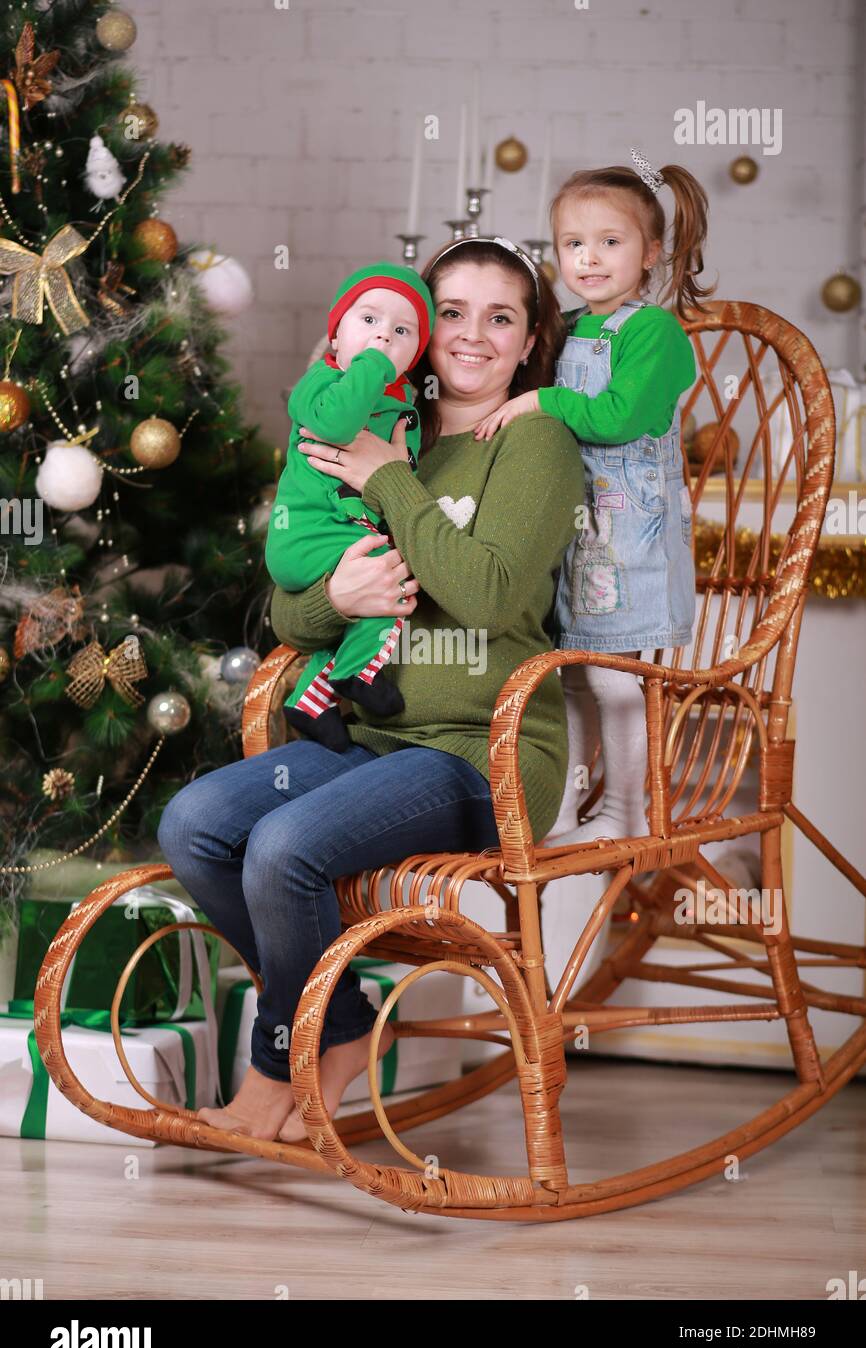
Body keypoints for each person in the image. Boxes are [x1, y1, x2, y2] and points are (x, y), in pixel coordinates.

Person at [156, 235, 585, 1144]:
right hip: (366, 739)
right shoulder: (384, 420)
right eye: (454, 314)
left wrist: (385, 477)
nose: (473, 337)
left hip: (482, 752)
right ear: (420, 332)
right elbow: (290, 613)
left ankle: (281, 1064)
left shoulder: (534, 442)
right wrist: (334, 597)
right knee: (195, 825)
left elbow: (489, 593)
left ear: (529, 338)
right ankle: (342, 1023)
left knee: (281, 849)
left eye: (500, 317)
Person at [474, 152, 711, 846]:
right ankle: (568, 807)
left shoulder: (652, 332)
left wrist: (539, 399)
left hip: (631, 535)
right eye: (573, 244)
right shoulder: (571, 326)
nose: (590, 258)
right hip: (575, 535)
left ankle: (624, 812)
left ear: (652, 251)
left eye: (611, 242)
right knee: (571, 679)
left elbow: (615, 417)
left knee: (613, 683)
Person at [265, 263, 435, 751]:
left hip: (344, 531)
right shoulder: (323, 382)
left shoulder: (401, 402)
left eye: (401, 332)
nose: (383, 335)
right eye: (368, 321)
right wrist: (374, 365)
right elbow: (337, 426)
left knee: (368, 602)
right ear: (335, 338)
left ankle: (310, 703)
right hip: (307, 533)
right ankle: (359, 676)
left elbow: (398, 471)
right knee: (390, 581)